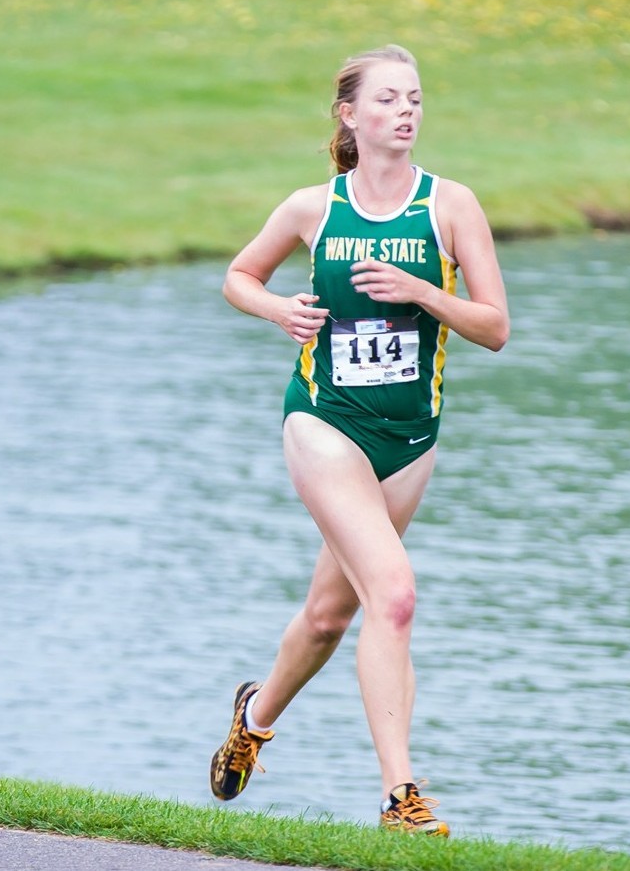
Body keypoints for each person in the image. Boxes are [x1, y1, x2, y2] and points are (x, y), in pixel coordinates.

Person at [208, 44, 508, 835]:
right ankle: (399, 799)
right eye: (386, 100)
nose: (405, 111)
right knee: (397, 595)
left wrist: (420, 291)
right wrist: (278, 310)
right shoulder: (316, 208)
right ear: (350, 115)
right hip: (324, 420)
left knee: (328, 617)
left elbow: (496, 328)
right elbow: (239, 275)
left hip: (410, 439)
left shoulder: (451, 206)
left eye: (414, 98)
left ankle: (253, 720)